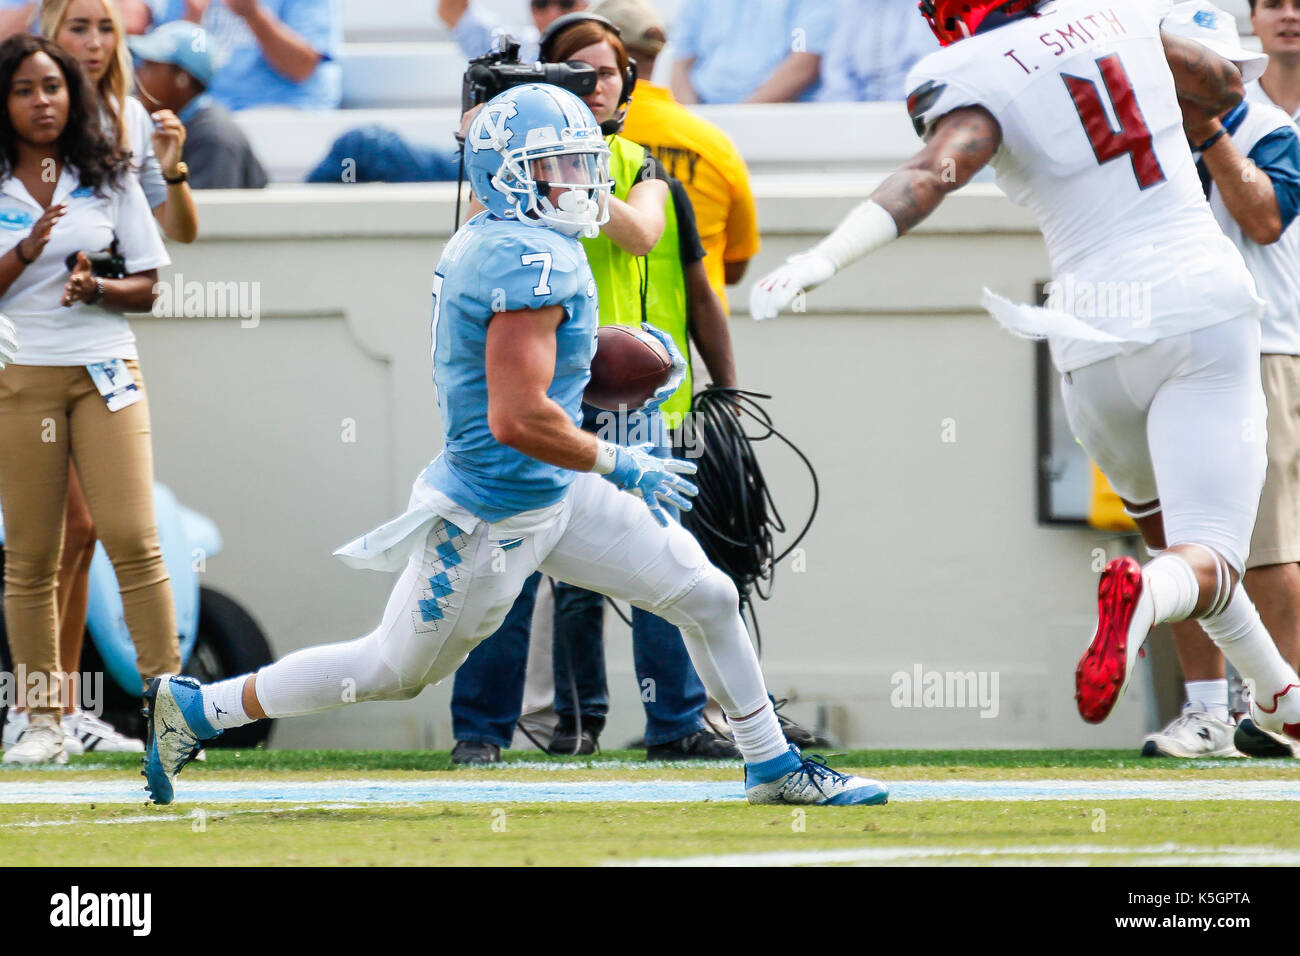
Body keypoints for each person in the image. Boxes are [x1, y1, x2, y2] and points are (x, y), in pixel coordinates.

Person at [140, 83, 887, 809]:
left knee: (709, 595)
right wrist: (622, 461)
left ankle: (771, 762)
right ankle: (201, 709)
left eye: (581, 162)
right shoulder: (524, 262)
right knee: (388, 669)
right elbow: (518, 416)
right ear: (508, 173)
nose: (579, 179)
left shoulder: (516, 238)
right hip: (494, 513)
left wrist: (608, 364)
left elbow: (538, 373)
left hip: (552, 491)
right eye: (557, 165)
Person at [749, 0, 1300, 745]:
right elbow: (1222, 85)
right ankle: (1142, 603)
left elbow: (932, 173)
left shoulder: (970, 69)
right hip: (1197, 304)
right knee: (1207, 557)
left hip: (1086, 337)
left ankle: (1279, 700)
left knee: (1179, 547)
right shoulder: (1122, 20)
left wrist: (823, 258)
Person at [450, 12, 739, 763]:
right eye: (572, 73)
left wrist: (552, 166)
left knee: (665, 562)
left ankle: (676, 723)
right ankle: (492, 732)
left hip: (632, 398)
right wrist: (499, 147)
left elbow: (642, 235)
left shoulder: (642, 164)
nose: (594, 85)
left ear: (628, 81)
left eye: (602, 72)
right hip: (543, 392)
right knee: (513, 569)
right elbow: (482, 222)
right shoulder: (505, 169)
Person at [6, 0, 197, 755]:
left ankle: (172, 715)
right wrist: (25, 253)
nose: (43, 100)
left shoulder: (109, 167)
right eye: (24, 89)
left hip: (104, 367)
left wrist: (98, 288)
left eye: (51, 88)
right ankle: (43, 720)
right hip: (20, 374)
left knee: (132, 536)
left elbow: (152, 280)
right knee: (31, 553)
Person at [1142, 1, 1300, 758]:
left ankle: (1278, 712)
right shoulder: (1140, 147)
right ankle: (1207, 709)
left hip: (1259, 346)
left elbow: (1264, 218)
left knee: (1267, 551)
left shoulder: (1267, 131)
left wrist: (1205, 132)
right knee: (1185, 540)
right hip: (1176, 346)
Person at [593, 0, 760, 312]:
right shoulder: (714, 143)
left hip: (600, 333)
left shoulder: (568, 135)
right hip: (692, 337)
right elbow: (735, 266)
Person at [129, 20, 267, 189]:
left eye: (149, 65)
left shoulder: (213, 139)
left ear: (182, 78)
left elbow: (211, 213)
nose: (138, 74)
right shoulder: (175, 126)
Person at [145, 0, 341, 111]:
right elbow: (163, 74)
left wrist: (253, 16)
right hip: (204, 115)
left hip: (281, 110)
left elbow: (302, 67)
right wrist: (192, 20)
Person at [670, 0, 839, 105]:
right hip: (703, 117)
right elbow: (681, 62)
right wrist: (692, 120)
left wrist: (740, 120)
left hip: (775, 121)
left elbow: (803, 61)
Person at [815, 0, 939, 103]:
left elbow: (931, 70)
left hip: (917, 111)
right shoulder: (854, 7)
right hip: (858, 117)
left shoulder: (927, 5)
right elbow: (837, 77)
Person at [438, 0, 587, 61]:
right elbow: (453, 12)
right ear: (531, 9)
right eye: (541, 3)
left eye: (566, 2)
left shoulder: (603, 46)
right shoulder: (510, 45)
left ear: (585, 6)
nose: (553, 13)